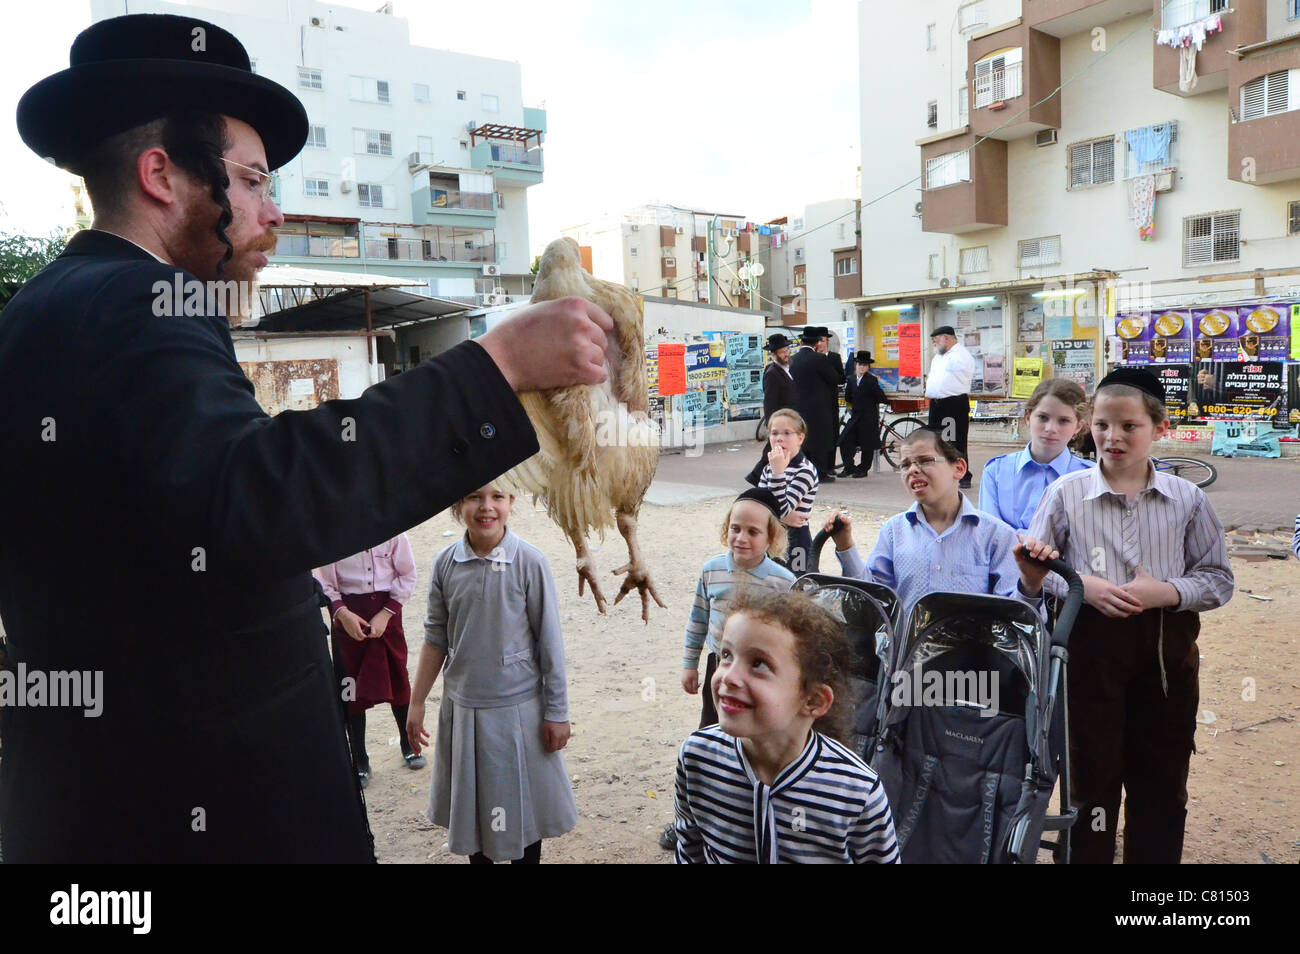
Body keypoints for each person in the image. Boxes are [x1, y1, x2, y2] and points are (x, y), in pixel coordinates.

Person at [0, 14, 613, 863]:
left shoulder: (41, 313)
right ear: (161, 176)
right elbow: (255, 496)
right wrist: (495, 365)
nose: (274, 211)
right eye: (252, 180)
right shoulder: (137, 304)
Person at [1017, 367, 1234, 864]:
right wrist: (1082, 585)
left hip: (1166, 662)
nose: (1112, 437)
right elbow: (1039, 569)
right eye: (1102, 425)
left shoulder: (1188, 500)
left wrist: (1167, 592)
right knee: (1090, 781)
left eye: (1129, 426)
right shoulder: (1066, 493)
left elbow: (1218, 579)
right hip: (1089, 660)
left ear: (1159, 427)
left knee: (1162, 781)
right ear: (1089, 426)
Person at [408, 483, 576, 864]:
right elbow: (436, 637)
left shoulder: (530, 562)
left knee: (524, 813)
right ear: (457, 505)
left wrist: (557, 712)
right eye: (474, 497)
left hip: (519, 713)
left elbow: (550, 643)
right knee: (475, 815)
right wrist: (416, 702)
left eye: (497, 497)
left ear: (511, 503)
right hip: (464, 710)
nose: (486, 507)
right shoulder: (445, 564)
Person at [673, 587, 899, 864]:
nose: (729, 677)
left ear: (813, 700)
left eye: (759, 664)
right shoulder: (697, 758)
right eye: (727, 655)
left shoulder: (855, 792)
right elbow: (690, 851)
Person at [661, 488, 795, 850]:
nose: (742, 538)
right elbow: (697, 620)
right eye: (736, 528)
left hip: (760, 675)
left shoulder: (782, 581)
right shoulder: (711, 571)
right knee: (712, 734)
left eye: (753, 531)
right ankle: (695, 815)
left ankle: (754, 810)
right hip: (718, 669)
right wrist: (689, 665)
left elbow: (791, 637)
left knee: (758, 736)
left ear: (771, 537)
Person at [824, 428, 1041, 621]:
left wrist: (1030, 584)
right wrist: (845, 546)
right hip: (907, 652)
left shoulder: (996, 535)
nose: (913, 470)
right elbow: (871, 602)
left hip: (973, 653)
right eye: (905, 465)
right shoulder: (894, 531)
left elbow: (1017, 619)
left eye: (925, 460)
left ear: (959, 469)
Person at [313, 534, 422, 789]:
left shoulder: (394, 533)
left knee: (398, 679)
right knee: (350, 689)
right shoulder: (333, 536)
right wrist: (342, 613)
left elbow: (407, 575)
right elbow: (323, 582)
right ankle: (360, 758)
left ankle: (409, 744)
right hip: (348, 620)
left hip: (387, 616)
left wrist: (386, 613)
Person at [979, 379, 1094, 533]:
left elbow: (1088, 536)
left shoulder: (1090, 477)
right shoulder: (996, 472)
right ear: (1028, 418)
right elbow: (988, 532)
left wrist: (1017, 536)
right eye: (1043, 417)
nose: (1051, 428)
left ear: (1078, 427)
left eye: (1063, 420)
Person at [759, 409, 820, 573]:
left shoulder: (805, 470)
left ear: (800, 438)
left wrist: (778, 473)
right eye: (774, 433)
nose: (779, 438)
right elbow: (758, 504)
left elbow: (780, 508)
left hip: (795, 538)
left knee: (796, 581)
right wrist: (781, 516)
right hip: (769, 534)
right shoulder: (768, 468)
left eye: (787, 433)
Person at [791, 326, 845, 482]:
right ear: (815, 343)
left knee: (804, 439)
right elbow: (834, 378)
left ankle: (804, 472)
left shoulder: (793, 359)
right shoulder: (819, 359)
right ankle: (820, 473)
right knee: (820, 440)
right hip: (819, 407)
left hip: (799, 406)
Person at [925, 325, 976, 489]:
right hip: (937, 403)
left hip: (953, 403)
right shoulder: (938, 357)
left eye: (936, 340)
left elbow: (956, 380)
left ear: (946, 338)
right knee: (936, 441)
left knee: (954, 440)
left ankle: (962, 475)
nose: (934, 343)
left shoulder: (961, 355)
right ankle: (941, 473)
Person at [745, 333, 796, 486]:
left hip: (789, 419)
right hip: (780, 419)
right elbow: (770, 401)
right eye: (782, 352)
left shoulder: (787, 369)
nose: (786, 354)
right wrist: (772, 424)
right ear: (773, 354)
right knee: (772, 451)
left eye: (787, 350)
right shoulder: (772, 373)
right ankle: (756, 477)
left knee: (780, 450)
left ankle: (763, 477)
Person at [838, 351, 887, 478]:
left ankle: (863, 469)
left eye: (865, 365)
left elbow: (881, 397)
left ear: (868, 367)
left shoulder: (871, 380)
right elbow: (848, 397)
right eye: (859, 364)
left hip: (868, 417)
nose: (861, 367)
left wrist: (870, 399)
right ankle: (849, 467)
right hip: (855, 416)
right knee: (844, 440)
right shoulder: (851, 379)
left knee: (867, 444)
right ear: (856, 365)